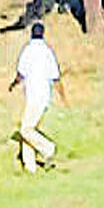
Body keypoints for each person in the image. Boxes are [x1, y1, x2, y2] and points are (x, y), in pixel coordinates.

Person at [8, 22, 68, 173]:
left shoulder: (28, 51)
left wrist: (13, 84)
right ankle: (30, 167)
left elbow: (20, 74)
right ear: (43, 34)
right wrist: (63, 97)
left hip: (33, 95)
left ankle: (48, 149)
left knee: (25, 129)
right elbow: (56, 77)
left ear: (31, 34)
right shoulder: (48, 52)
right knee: (30, 129)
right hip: (44, 96)